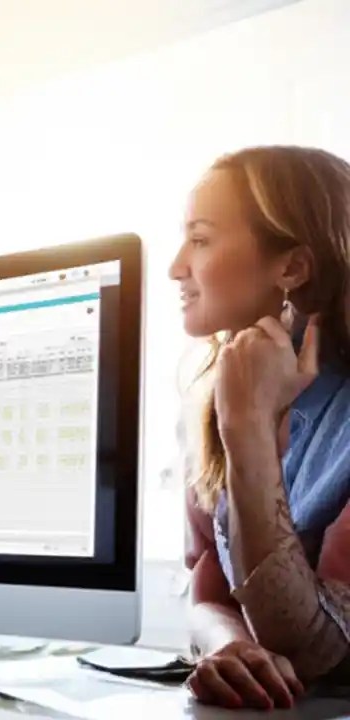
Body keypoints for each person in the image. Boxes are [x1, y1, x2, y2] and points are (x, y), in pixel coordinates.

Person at [176, 146, 350, 710]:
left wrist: (248, 431)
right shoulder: (222, 395)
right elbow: (207, 586)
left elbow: (320, 648)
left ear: (293, 267)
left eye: (200, 240)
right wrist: (227, 645)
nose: (178, 266)